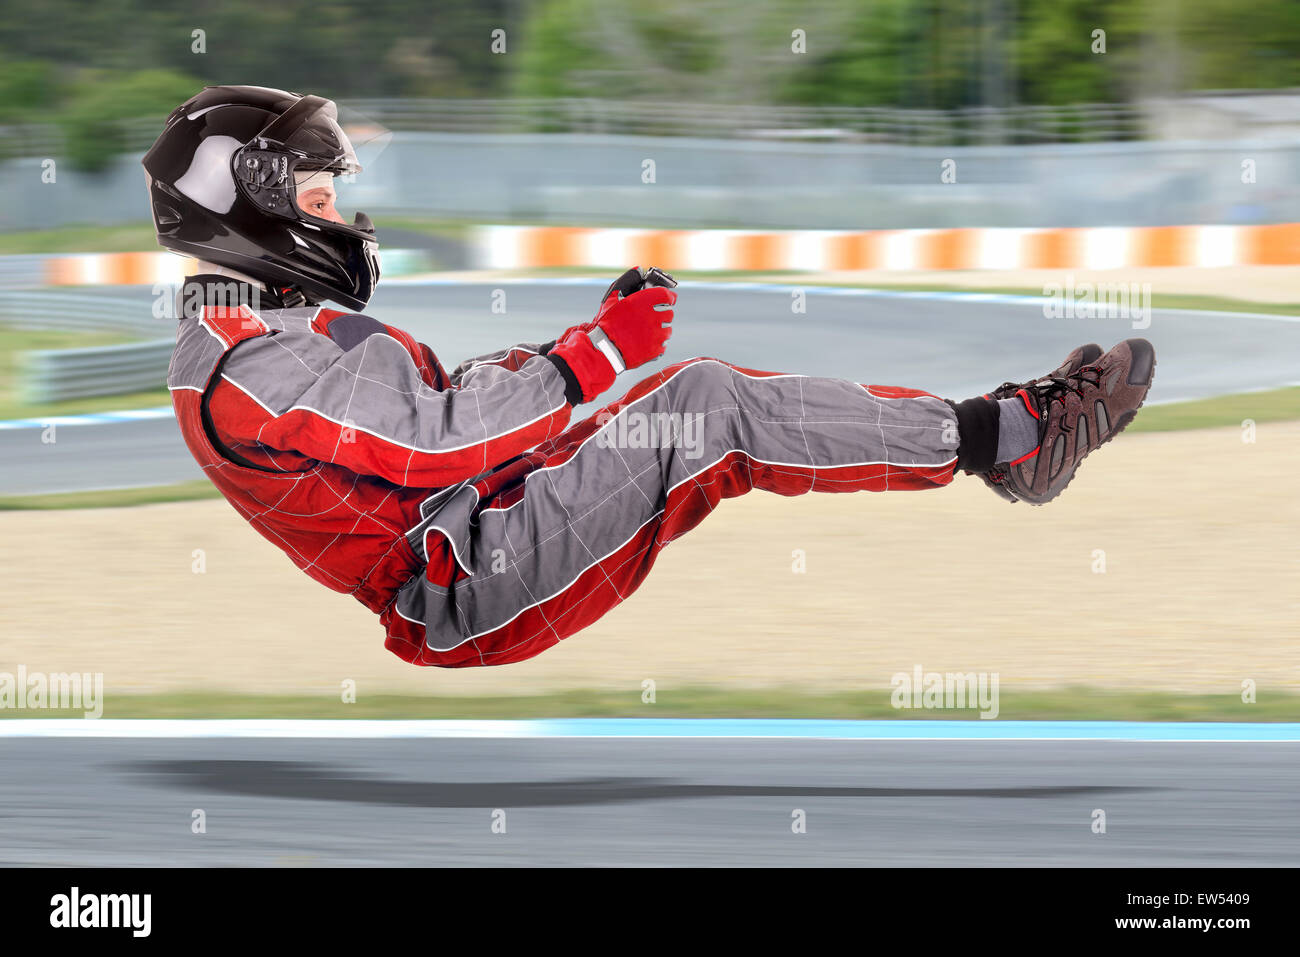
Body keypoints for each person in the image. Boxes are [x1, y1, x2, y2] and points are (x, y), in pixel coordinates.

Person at [143, 86, 1155, 668]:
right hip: (457, 578)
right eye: (318, 200)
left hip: (485, 509)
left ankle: (1004, 435)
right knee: (704, 406)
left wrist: (571, 350)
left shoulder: (274, 332)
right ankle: (1013, 440)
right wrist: (598, 357)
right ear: (251, 211)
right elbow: (430, 439)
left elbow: (444, 404)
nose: (340, 221)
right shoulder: (248, 367)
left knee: (700, 401)